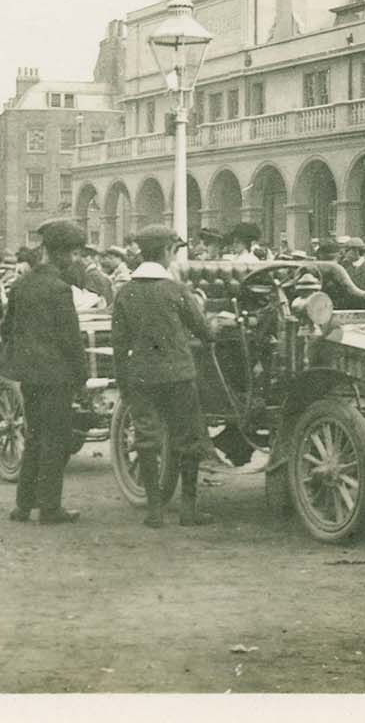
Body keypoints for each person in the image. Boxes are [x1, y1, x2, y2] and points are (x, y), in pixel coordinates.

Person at [110, 224, 219, 529]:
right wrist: (213, 330)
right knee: (187, 438)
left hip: (141, 376)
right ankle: (188, 510)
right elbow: (202, 331)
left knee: (146, 438)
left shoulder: (125, 293)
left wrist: (124, 383)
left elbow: (119, 345)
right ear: (168, 252)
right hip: (179, 375)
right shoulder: (175, 290)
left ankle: (155, 511)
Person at [0, 218, 87, 525]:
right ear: (60, 254)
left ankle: (23, 506)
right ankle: (50, 507)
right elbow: (71, 339)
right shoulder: (60, 290)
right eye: (73, 253)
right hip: (57, 377)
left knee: (34, 437)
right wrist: (82, 376)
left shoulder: (21, 286)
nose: (74, 259)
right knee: (56, 440)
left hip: (29, 376)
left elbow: (6, 329)